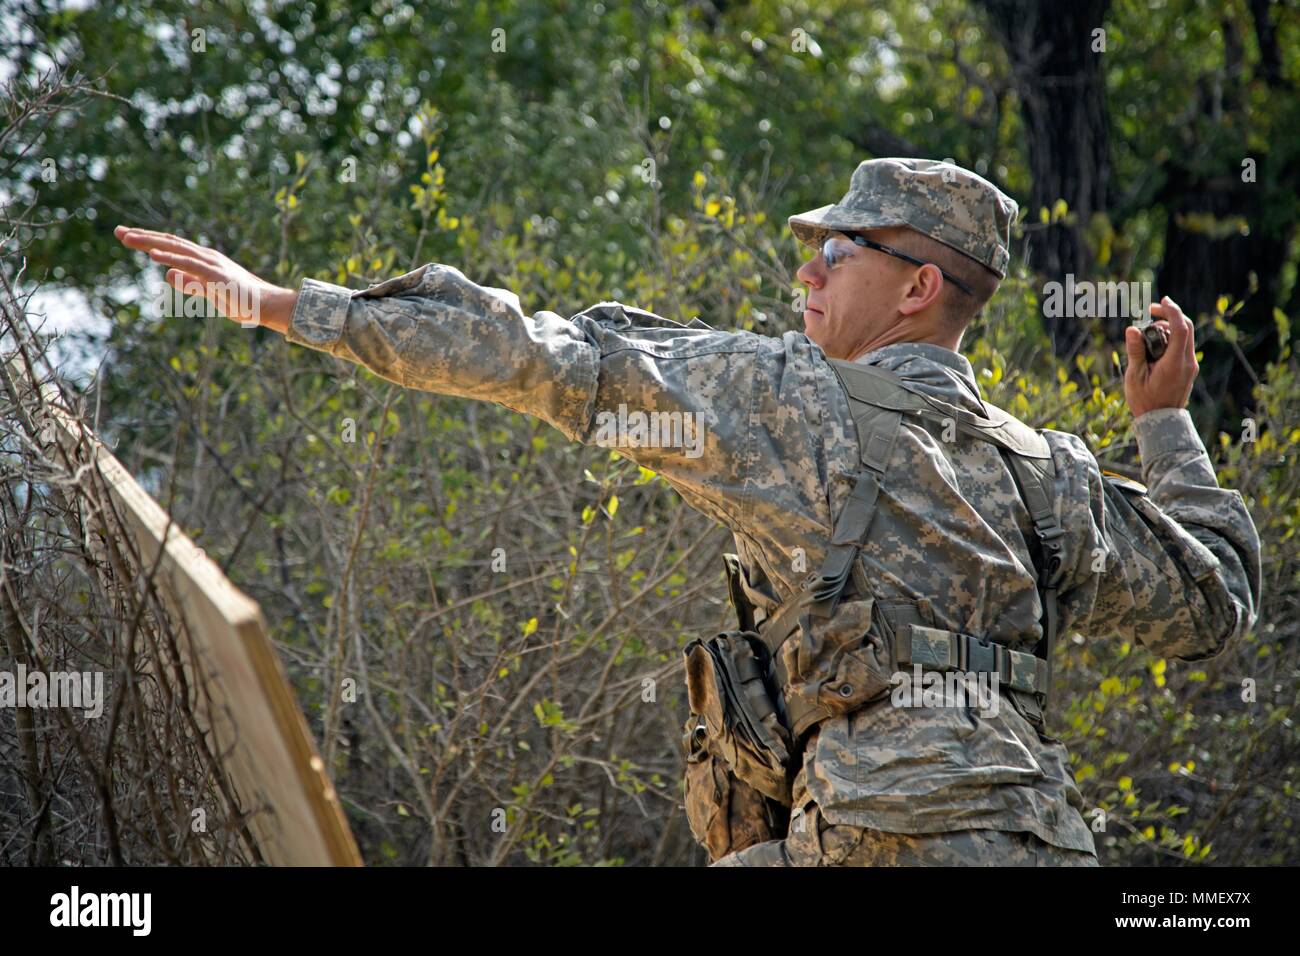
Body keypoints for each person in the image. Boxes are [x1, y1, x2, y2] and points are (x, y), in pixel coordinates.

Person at [113, 156, 1261, 866]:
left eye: (837, 252)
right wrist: (1161, 422)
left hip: (875, 829)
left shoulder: (782, 398)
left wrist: (278, 304)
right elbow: (1213, 603)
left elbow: (541, 356)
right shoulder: (1044, 469)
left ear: (917, 287)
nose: (803, 273)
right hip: (1043, 837)